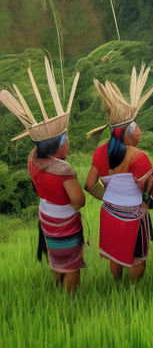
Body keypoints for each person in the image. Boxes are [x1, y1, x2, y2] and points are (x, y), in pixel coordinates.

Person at [1, 59, 85, 292]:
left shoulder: (33, 158)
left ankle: (57, 287)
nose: (68, 142)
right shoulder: (63, 170)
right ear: (59, 145)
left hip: (45, 214)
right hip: (63, 218)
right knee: (71, 263)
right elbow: (79, 201)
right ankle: (71, 302)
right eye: (66, 138)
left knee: (56, 255)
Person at [84, 65, 153, 283]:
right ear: (130, 130)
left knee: (115, 253)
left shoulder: (99, 152)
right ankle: (134, 293)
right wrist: (151, 197)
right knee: (137, 258)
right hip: (133, 213)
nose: (140, 130)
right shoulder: (138, 156)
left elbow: (89, 184)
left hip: (109, 210)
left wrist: (108, 196)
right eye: (137, 126)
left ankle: (117, 286)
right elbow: (146, 187)